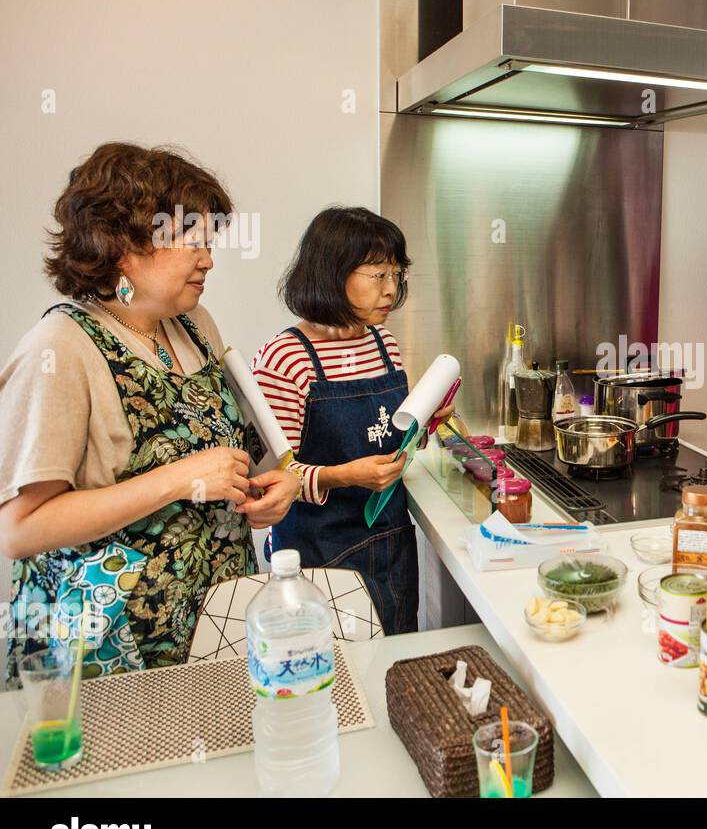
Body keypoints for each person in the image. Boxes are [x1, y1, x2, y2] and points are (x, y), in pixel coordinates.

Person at [0, 143, 298, 684]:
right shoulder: (61, 347)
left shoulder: (194, 324)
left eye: (210, 243)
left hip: (216, 625)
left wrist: (267, 491)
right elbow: (18, 530)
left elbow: (231, 452)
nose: (208, 259)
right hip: (115, 650)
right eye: (192, 242)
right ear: (122, 246)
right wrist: (177, 480)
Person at [252, 207, 450, 635]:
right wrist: (343, 476)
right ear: (332, 273)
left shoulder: (384, 343)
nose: (391, 290)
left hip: (391, 542)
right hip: (319, 553)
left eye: (396, 276)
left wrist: (425, 425)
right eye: (378, 275)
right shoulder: (286, 358)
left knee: (396, 660)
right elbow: (271, 475)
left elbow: (392, 442)